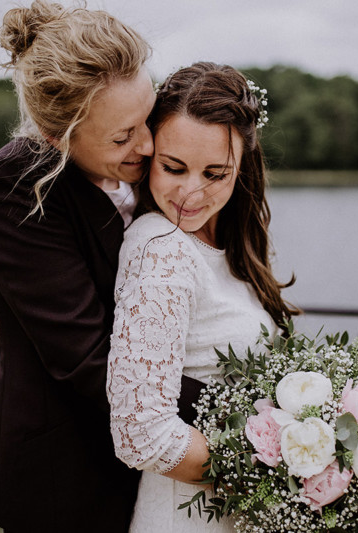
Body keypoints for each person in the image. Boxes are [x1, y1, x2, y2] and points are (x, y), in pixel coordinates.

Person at [0, 3, 204, 531]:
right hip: (67, 481)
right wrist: (252, 409)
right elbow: (87, 358)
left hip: (158, 468)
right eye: (122, 137)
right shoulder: (19, 184)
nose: (147, 144)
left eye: (147, 118)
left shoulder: (152, 169)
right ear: (56, 136)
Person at [107, 62, 297, 533]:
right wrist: (282, 474)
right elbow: (140, 434)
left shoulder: (231, 245)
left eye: (215, 173)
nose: (190, 192)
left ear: (242, 167)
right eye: (173, 167)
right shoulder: (161, 246)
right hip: (187, 517)